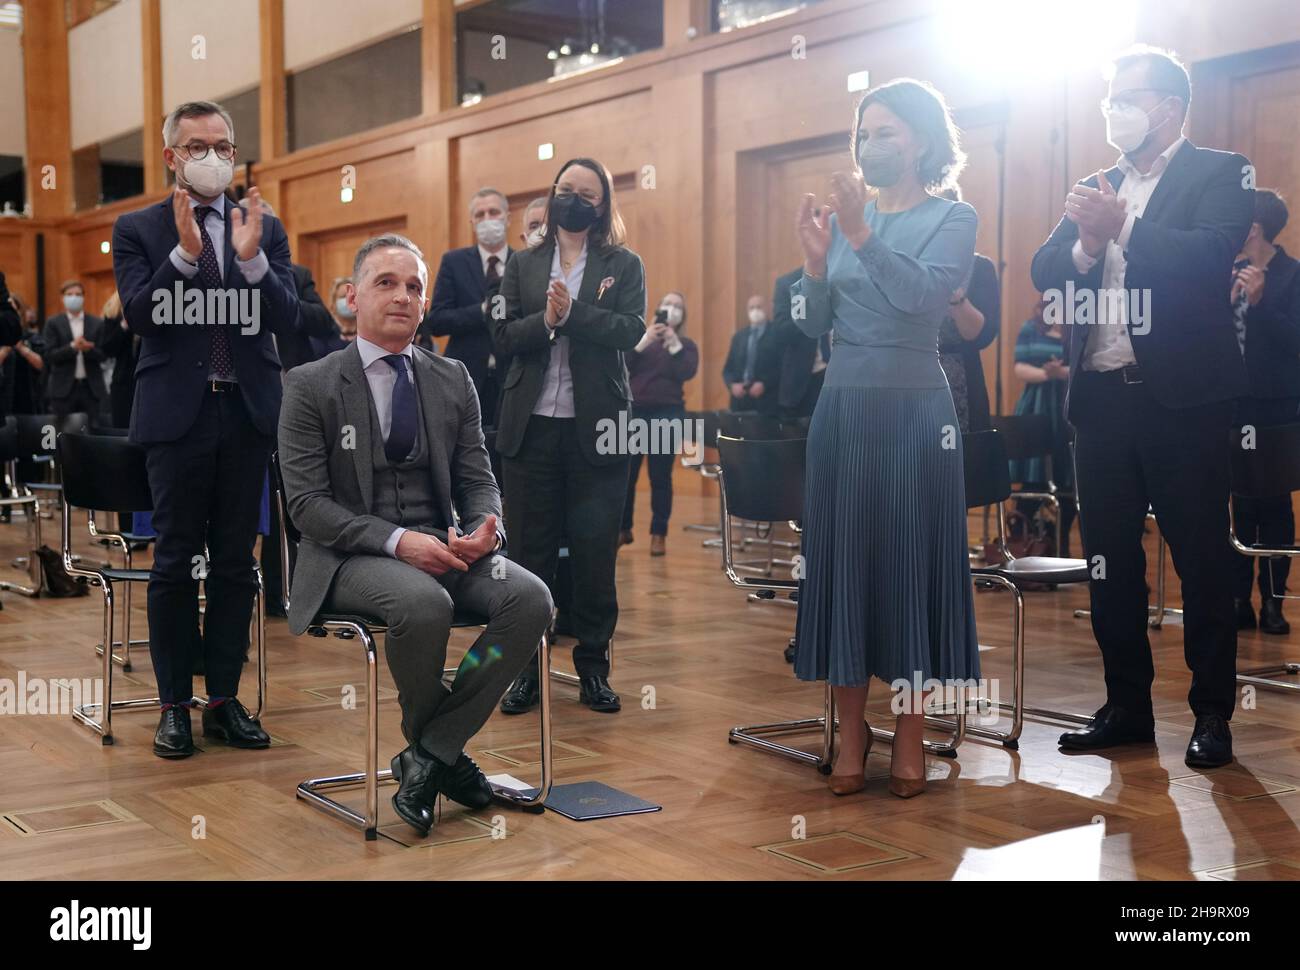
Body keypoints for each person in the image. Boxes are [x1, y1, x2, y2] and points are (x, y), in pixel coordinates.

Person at [278, 233, 552, 837]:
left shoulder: (453, 378)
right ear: (352, 297)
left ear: (426, 304)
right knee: (422, 603)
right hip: (351, 556)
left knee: (529, 597)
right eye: (386, 283)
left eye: (414, 287)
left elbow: (479, 479)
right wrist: (399, 542)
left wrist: (488, 528)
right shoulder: (310, 383)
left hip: (446, 545)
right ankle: (442, 756)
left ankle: (429, 754)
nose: (403, 296)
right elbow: (307, 507)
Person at [1030, 46, 1253, 768]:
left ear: (1169, 107)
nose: (1113, 110)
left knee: (1201, 559)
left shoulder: (1219, 172)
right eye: (1109, 98)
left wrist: (1121, 228)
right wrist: (1087, 247)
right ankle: (1125, 705)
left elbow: (1205, 255)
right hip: (1101, 402)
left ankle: (1213, 713)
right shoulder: (1100, 182)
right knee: (1108, 561)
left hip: (1183, 403)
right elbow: (1043, 267)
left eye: (1127, 97)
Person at [791, 77, 980, 799]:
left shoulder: (952, 217)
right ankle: (850, 729)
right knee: (844, 563)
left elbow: (923, 297)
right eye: (865, 133)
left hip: (915, 413)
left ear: (924, 140)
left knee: (911, 567)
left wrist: (860, 235)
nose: (872, 145)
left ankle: (907, 731)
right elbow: (809, 325)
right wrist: (813, 261)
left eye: (888, 131)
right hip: (842, 409)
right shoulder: (842, 222)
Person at [111, 99, 299, 759]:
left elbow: (286, 315)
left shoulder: (261, 226)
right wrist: (187, 256)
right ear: (171, 157)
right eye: (197, 146)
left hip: (245, 412)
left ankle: (222, 699)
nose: (212, 157)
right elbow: (139, 315)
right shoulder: (137, 228)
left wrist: (250, 262)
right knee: (171, 561)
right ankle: (172, 707)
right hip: (177, 417)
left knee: (235, 564)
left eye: (221, 145)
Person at [492, 156, 646, 716]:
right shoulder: (524, 264)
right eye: (565, 189)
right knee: (530, 557)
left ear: (602, 204)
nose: (574, 199)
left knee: (593, 553)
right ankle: (526, 670)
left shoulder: (623, 264)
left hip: (598, 430)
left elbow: (631, 329)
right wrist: (548, 323)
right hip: (531, 430)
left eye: (587, 193)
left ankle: (594, 669)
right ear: (552, 195)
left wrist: (574, 314)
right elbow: (503, 335)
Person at [1231, 188, 1300, 635]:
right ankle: (1239, 601)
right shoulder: (1228, 270)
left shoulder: (1293, 276)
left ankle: (1273, 602)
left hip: (1276, 406)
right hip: (1233, 406)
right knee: (1241, 503)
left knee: (1274, 503)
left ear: (1253, 227)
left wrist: (1260, 305)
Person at [421, 187, 514, 427]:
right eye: (480, 215)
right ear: (472, 222)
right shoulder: (454, 262)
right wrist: (482, 311)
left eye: (493, 212)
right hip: (464, 376)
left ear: (507, 217)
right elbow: (438, 320)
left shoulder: (522, 262)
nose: (487, 220)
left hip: (512, 377)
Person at [621, 290, 699, 554]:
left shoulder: (686, 345)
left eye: (678, 306)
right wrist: (644, 341)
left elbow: (686, 371)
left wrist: (673, 343)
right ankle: (623, 529)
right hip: (635, 413)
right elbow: (623, 364)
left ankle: (658, 533)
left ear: (682, 315)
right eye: (667, 304)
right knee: (627, 476)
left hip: (668, 414)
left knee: (660, 477)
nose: (672, 309)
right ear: (658, 309)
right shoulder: (640, 339)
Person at [1009, 298, 1077, 556]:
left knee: (1067, 481)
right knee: (1033, 478)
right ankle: (1022, 547)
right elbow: (1020, 367)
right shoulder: (1030, 328)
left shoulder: (1078, 326)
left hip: (1068, 408)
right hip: (1036, 408)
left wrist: (1063, 374)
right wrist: (1048, 374)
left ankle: (1060, 547)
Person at [935, 187, 1000, 433]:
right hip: (908, 376)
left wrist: (955, 297)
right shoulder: (905, 263)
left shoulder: (979, 268)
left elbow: (981, 336)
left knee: (965, 464)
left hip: (961, 378)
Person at [42, 279, 108, 423]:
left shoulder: (97, 323)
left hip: (91, 389)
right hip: (63, 390)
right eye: (70, 294)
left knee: (93, 431)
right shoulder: (53, 323)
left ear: (83, 297)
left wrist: (87, 349)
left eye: (78, 294)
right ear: (62, 298)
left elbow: (104, 354)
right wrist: (72, 347)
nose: (74, 298)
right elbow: (49, 355)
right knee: (63, 433)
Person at [774, 265, 828, 419]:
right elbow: (781, 330)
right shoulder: (790, 283)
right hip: (805, 381)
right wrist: (810, 311)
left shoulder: (844, 276)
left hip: (845, 378)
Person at [722, 294, 782, 414]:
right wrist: (732, 386)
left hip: (767, 401)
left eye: (759, 307)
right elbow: (727, 370)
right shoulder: (739, 337)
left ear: (767, 309)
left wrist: (765, 384)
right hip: (740, 401)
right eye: (751, 308)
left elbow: (783, 367)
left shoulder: (777, 333)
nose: (755, 311)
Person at [96, 291, 138, 430]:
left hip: (148, 381)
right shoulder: (114, 313)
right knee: (122, 429)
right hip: (123, 382)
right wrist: (124, 325)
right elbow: (107, 349)